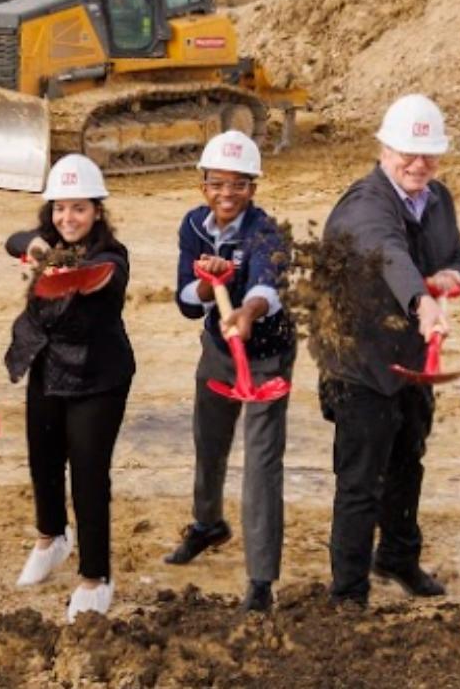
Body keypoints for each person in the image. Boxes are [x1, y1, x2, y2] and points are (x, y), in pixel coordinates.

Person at [317, 94, 460, 607]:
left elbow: (459, 256)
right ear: (383, 148)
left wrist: (455, 276)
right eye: (408, 151)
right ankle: (348, 593)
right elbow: (388, 252)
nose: (418, 163)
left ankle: (399, 558)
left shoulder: (438, 199)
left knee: (409, 461)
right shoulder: (366, 204)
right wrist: (424, 302)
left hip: (410, 359)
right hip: (360, 361)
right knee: (361, 480)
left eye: (429, 154)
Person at [165, 131, 296, 614]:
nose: (227, 194)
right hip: (220, 350)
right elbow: (183, 299)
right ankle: (207, 525)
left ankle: (261, 579)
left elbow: (268, 283)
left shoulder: (265, 230)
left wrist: (249, 310)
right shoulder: (192, 227)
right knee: (210, 441)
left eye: (239, 185)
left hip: (265, 356)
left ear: (253, 189)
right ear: (203, 185)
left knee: (261, 465)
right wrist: (205, 286)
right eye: (218, 183)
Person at [3, 154, 133, 623]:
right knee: (42, 459)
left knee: (88, 475)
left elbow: (101, 278)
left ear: (97, 211)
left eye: (79, 209)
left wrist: (65, 272)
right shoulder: (48, 241)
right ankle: (51, 538)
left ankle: (96, 577)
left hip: (97, 377)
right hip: (46, 365)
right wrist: (38, 247)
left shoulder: (110, 256)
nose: (68, 218)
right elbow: (12, 240)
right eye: (60, 209)